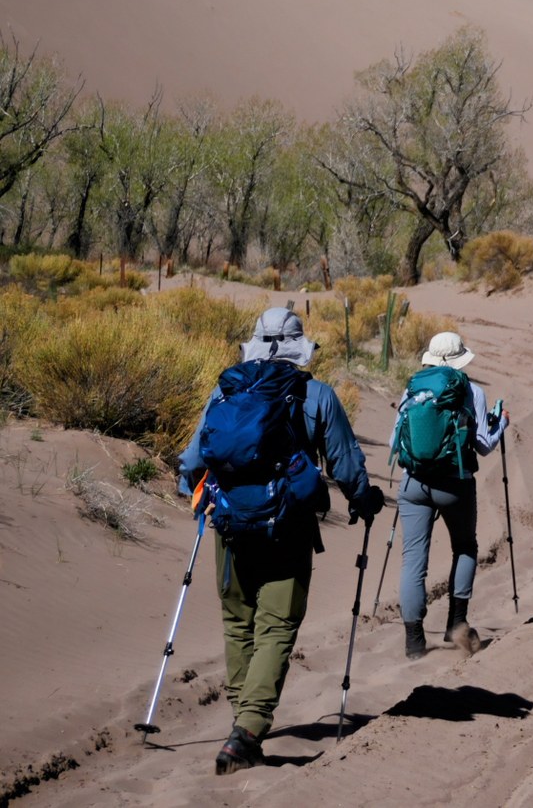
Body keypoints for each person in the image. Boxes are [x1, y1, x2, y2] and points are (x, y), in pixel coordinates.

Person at [178, 306, 382, 775]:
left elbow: (192, 461)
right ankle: (247, 732)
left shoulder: (225, 389)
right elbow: (345, 464)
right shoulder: (316, 395)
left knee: (238, 622)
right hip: (285, 528)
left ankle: (242, 723)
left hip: (227, 526)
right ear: (298, 345)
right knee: (276, 627)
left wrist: (197, 496)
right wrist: (363, 500)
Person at [392, 331, 508, 658]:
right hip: (455, 482)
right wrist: (501, 425)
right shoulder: (473, 391)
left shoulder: (412, 388)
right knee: (465, 547)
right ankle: (456, 624)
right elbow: (484, 445)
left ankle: (414, 641)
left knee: (414, 559)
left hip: (414, 483)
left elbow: (393, 442)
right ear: (459, 359)